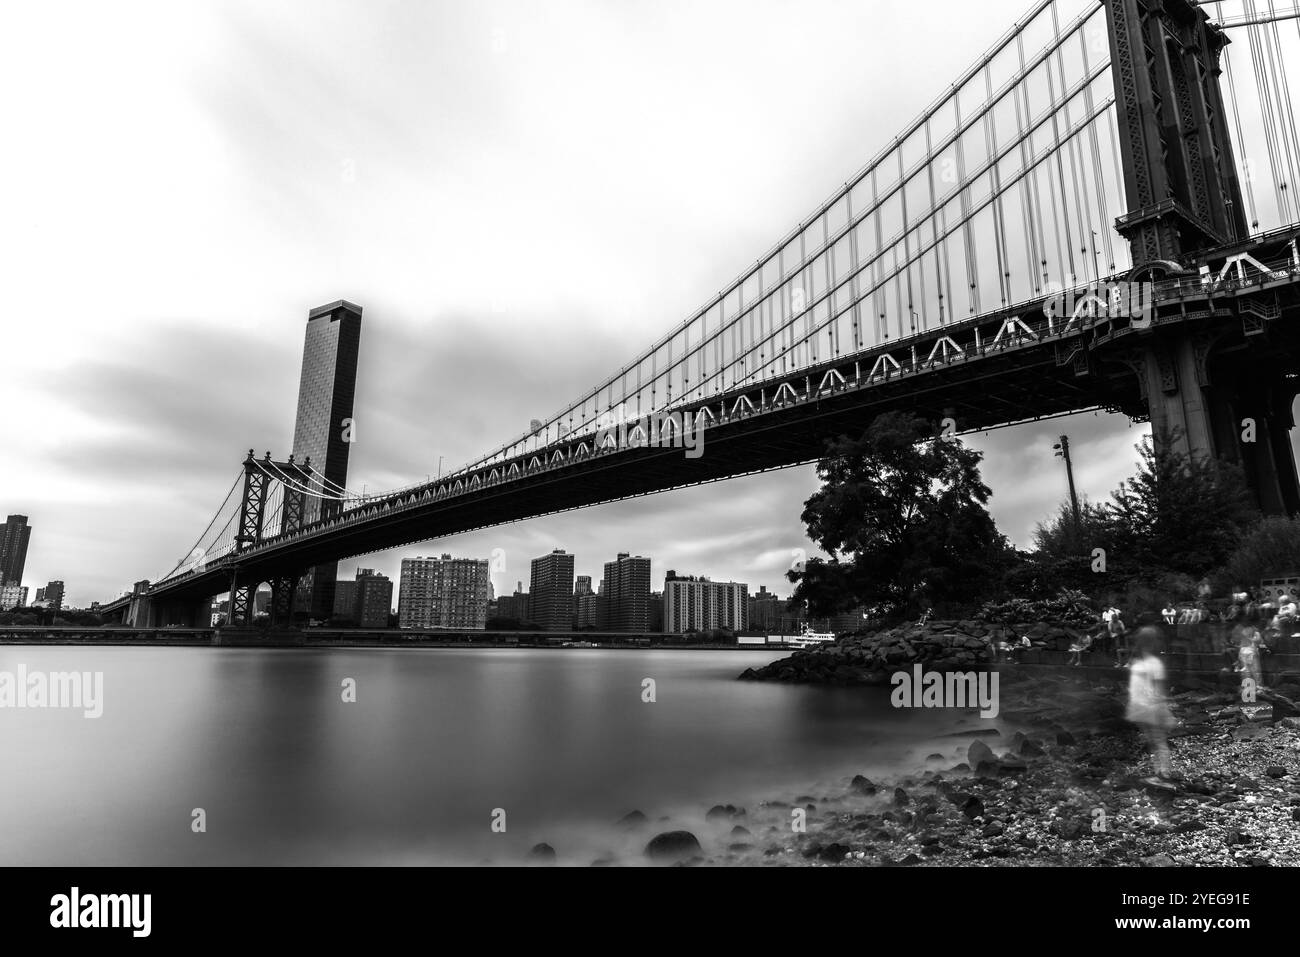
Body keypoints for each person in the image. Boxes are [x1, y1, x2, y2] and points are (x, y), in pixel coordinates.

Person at [1126, 625, 1175, 782]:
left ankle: (1161, 773)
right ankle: (1162, 773)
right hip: (1148, 708)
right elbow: (1158, 692)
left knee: (1154, 742)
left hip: (1141, 708)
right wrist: (1166, 713)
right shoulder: (1153, 664)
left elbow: (1142, 690)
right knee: (1158, 741)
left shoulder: (1139, 663)